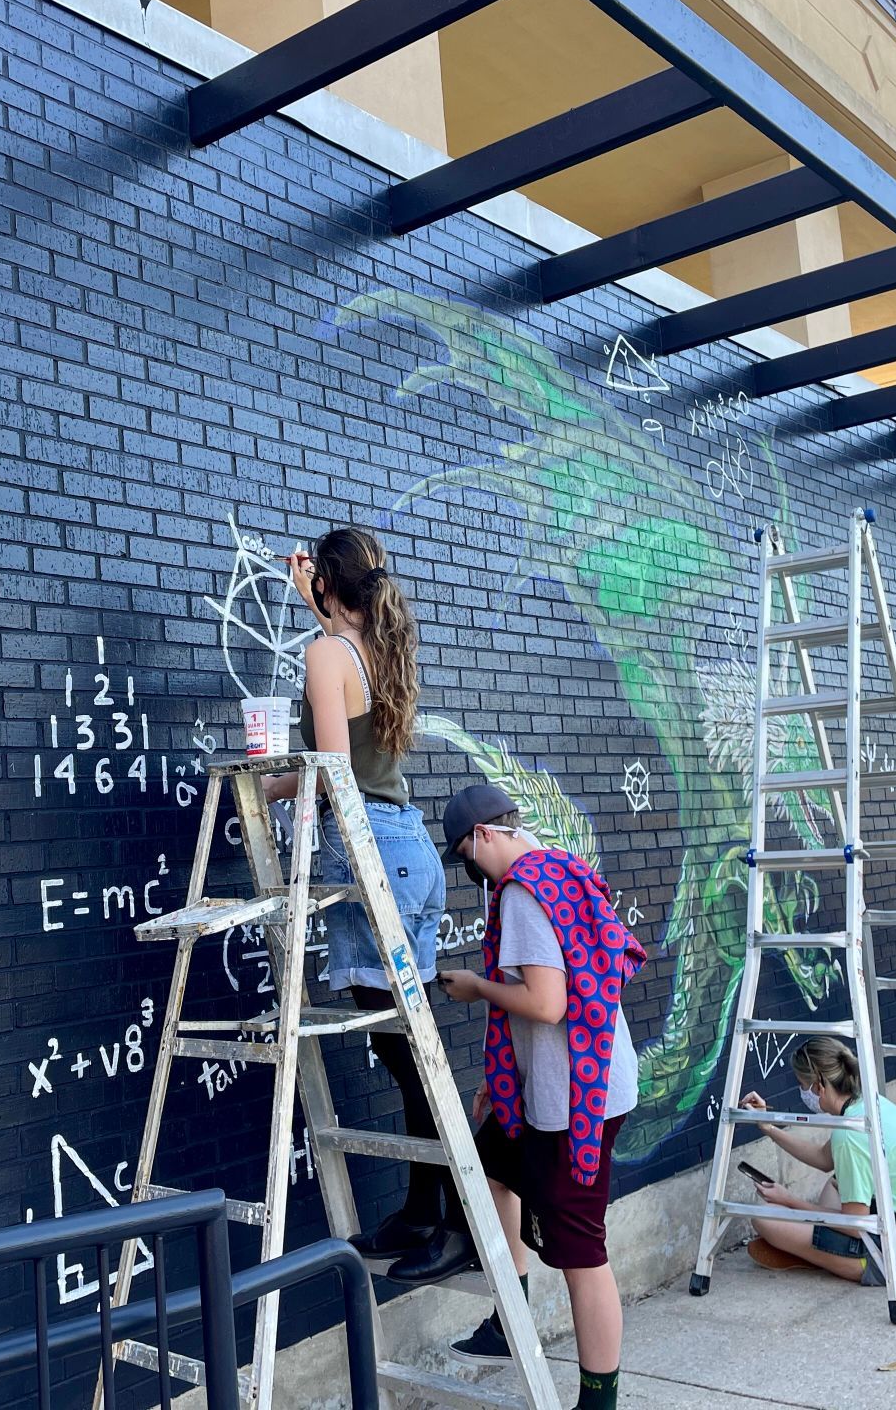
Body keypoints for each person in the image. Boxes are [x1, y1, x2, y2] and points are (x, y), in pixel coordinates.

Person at [268, 529, 457, 1272]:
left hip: (367, 846)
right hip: (406, 844)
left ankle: (455, 1230)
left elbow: (330, 773)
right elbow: (343, 733)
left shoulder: (326, 654)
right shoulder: (376, 646)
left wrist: (268, 779)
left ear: (328, 587)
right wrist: (315, 598)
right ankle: (421, 1212)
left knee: (408, 1052)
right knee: (400, 1041)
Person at [436, 785, 645, 1410]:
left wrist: (477, 987)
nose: (472, 874)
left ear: (482, 838)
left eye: (466, 858)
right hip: (576, 1083)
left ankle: (598, 1401)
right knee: (489, 1163)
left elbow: (548, 1004)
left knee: (582, 1254)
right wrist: (498, 1082)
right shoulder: (561, 864)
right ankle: (511, 1311)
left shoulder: (524, 891)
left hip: (575, 1102)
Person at [738, 1037, 896, 1288]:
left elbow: (855, 1225)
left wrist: (790, 1201)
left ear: (819, 1086)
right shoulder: (868, 1105)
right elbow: (824, 1159)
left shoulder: (849, 1134)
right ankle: (817, 1246)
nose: (802, 1093)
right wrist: (768, 1126)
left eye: (802, 1085)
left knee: (763, 1217)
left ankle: (823, 1255)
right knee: (834, 1185)